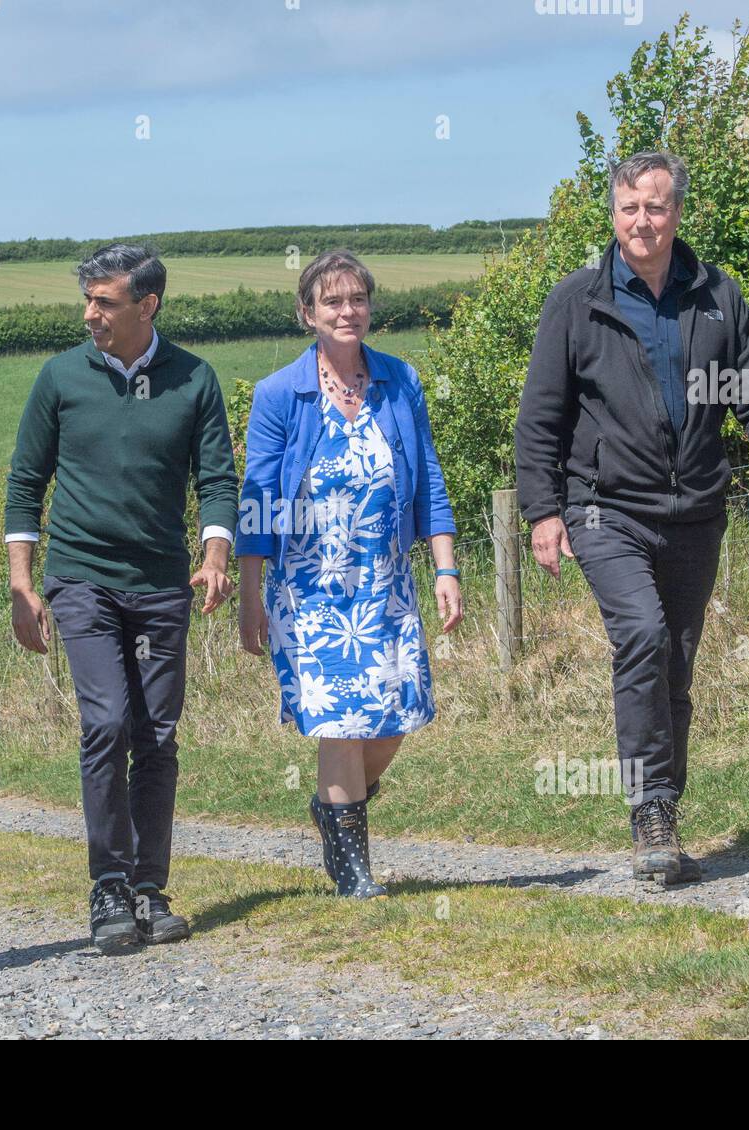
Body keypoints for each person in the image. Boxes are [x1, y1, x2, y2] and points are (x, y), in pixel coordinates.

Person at [515, 151, 749, 885]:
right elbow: (541, 419)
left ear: (677, 213)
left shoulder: (715, 297)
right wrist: (543, 511)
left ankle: (662, 807)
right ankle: (650, 814)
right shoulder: (576, 301)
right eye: (629, 207)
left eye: (657, 206)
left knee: (673, 663)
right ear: (612, 214)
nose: (643, 220)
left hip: (697, 512)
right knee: (639, 634)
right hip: (606, 509)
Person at [5, 244, 238, 954]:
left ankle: (148, 886)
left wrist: (215, 555)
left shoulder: (194, 379)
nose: (90, 315)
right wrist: (22, 580)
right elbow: (24, 483)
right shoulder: (60, 378)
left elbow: (219, 481)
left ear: (147, 305)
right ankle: (107, 885)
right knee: (106, 722)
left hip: (163, 582)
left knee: (156, 736)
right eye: (88, 300)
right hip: (82, 578)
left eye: (104, 302)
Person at [236, 249, 462, 898]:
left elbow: (431, 482)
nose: (347, 311)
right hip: (308, 590)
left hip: (383, 584)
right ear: (307, 313)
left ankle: (335, 810)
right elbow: (257, 500)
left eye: (357, 299)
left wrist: (444, 568)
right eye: (332, 301)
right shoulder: (281, 394)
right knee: (341, 723)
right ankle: (352, 865)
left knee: (393, 720)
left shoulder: (400, 381)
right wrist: (250, 597)